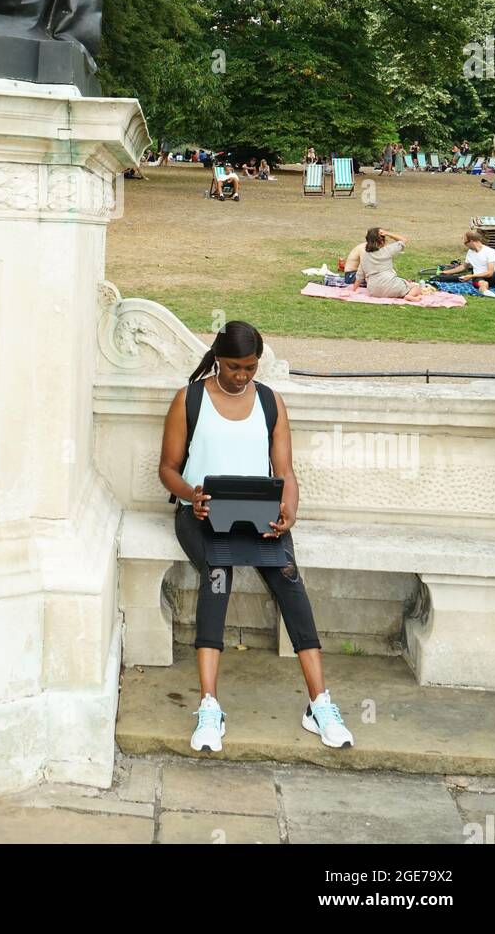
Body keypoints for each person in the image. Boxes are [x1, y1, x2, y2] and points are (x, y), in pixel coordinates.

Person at [158, 321, 354, 754]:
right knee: (219, 572)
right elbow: (168, 469)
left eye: (249, 367)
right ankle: (209, 706)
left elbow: (284, 472)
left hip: (259, 515)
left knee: (289, 578)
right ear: (217, 359)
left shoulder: (270, 402)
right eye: (233, 366)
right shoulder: (189, 399)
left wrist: (290, 511)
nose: (241, 375)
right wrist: (193, 494)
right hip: (201, 514)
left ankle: (319, 703)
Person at [354, 228, 423, 301]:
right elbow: (404, 240)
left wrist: (354, 289)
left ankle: (407, 294)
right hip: (392, 285)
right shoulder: (387, 250)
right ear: (381, 241)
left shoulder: (365, 257)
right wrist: (387, 233)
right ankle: (409, 296)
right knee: (416, 288)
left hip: (374, 291)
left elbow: (359, 276)